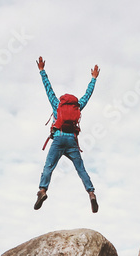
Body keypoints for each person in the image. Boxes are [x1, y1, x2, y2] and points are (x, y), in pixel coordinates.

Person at [34, 56, 100, 212]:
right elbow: (87, 95)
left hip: (58, 139)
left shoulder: (56, 105)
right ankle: (91, 193)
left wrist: (42, 70)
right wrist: (93, 79)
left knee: (48, 167)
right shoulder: (78, 106)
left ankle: (43, 191)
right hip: (71, 141)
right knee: (80, 169)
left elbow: (47, 88)